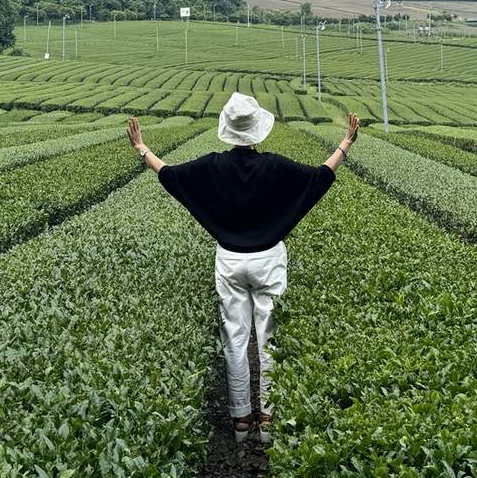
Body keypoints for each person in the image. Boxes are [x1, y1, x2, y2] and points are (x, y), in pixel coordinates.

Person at [126, 92, 359, 445]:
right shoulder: (276, 166)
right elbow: (319, 178)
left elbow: (170, 176)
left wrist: (142, 148)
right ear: (256, 131)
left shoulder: (211, 166)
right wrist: (344, 144)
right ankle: (267, 419)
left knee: (235, 340)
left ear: (228, 130)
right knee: (269, 340)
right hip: (269, 260)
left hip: (230, 260)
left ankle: (240, 420)